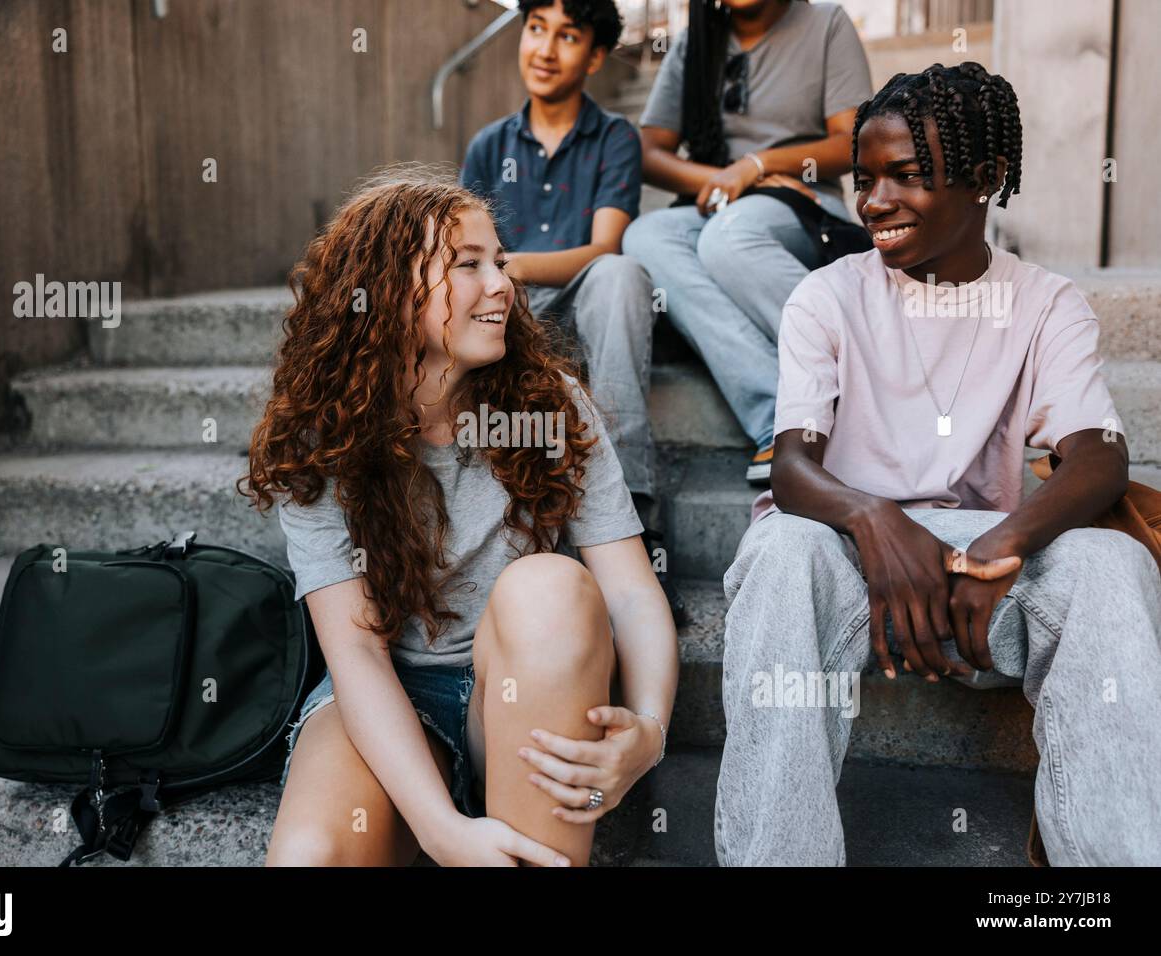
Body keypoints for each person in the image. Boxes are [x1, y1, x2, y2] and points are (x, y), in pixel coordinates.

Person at [715, 63, 1161, 866]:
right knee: (782, 552)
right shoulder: (827, 296)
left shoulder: (1046, 302)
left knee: (1110, 566)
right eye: (866, 179)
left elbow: (1098, 457)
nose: (875, 203)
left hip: (981, 580)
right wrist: (874, 516)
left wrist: (997, 547)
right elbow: (791, 468)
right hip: (854, 560)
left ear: (986, 179)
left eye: (907, 177)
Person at [244, 167, 679, 867]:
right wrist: (441, 829)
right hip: (391, 693)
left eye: (499, 262)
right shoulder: (321, 438)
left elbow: (629, 589)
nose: (503, 284)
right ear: (386, 291)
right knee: (308, 859)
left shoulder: (552, 407)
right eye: (467, 264)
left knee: (549, 585)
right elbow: (354, 652)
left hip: (526, 682)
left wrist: (651, 729)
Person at [460, 0, 687, 624]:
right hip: (509, 305)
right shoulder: (489, 145)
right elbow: (463, 249)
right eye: (536, 29)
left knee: (622, 271)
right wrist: (499, 277)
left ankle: (635, 519)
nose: (545, 48)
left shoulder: (615, 137)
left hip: (585, 297)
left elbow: (606, 244)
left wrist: (516, 265)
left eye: (567, 36)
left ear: (592, 55)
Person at [622, 0, 872, 485]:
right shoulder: (698, 41)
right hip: (721, 201)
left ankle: (862, 372)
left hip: (803, 203)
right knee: (646, 236)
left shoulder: (826, 24)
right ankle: (777, 421)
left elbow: (854, 141)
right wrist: (730, 179)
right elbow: (650, 152)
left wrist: (760, 167)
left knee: (729, 237)